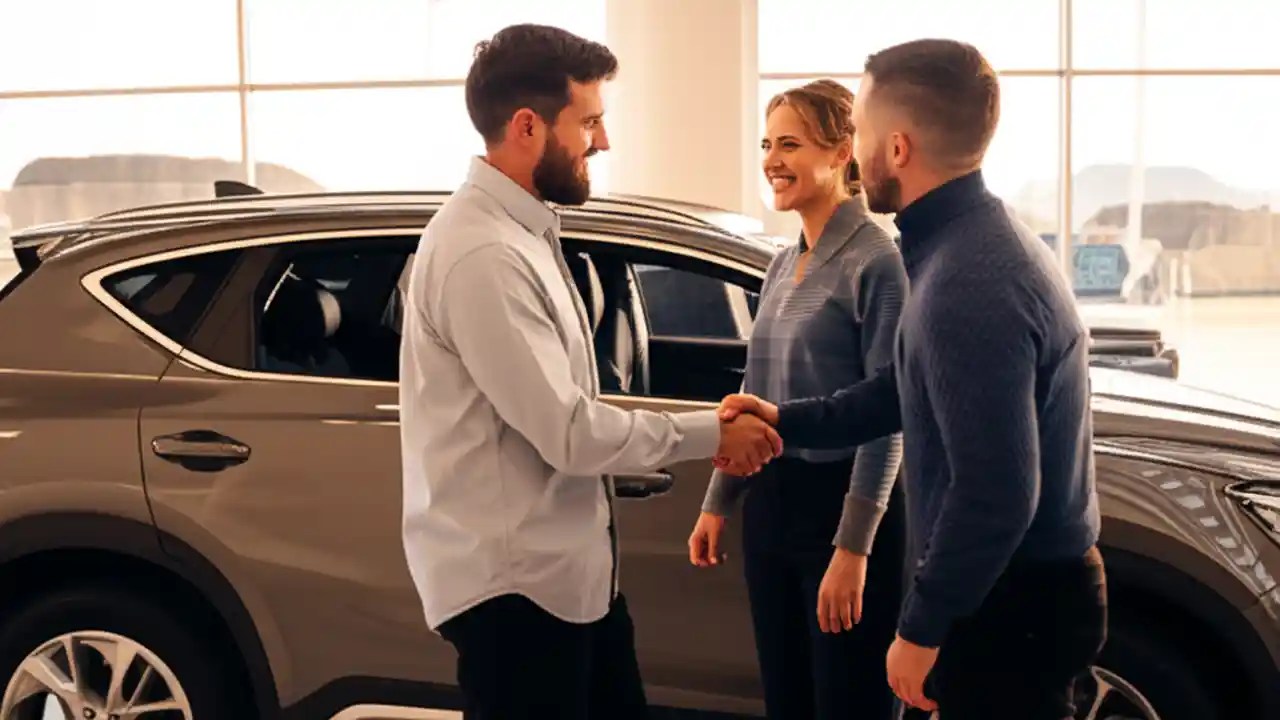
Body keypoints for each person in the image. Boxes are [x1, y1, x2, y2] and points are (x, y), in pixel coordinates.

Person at [398, 24, 782, 720]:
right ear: (526, 126)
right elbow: (570, 433)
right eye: (590, 121)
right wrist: (714, 433)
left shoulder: (524, 233)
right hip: (518, 597)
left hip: (569, 585)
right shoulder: (482, 255)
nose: (602, 141)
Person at [717, 39, 1107, 720]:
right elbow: (903, 388)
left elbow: (997, 494)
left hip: (1010, 605)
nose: (857, 152)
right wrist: (789, 420)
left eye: (862, 131)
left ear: (896, 148)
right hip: (1010, 592)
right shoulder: (965, 242)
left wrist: (920, 626)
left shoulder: (968, 283)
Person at [687, 79, 908, 720]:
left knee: (849, 704)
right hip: (773, 506)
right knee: (787, 701)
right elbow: (755, 391)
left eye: (790, 143)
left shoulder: (878, 263)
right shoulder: (784, 262)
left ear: (842, 153)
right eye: (766, 143)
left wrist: (853, 548)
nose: (771, 160)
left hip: (842, 507)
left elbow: (886, 418)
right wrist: (719, 500)